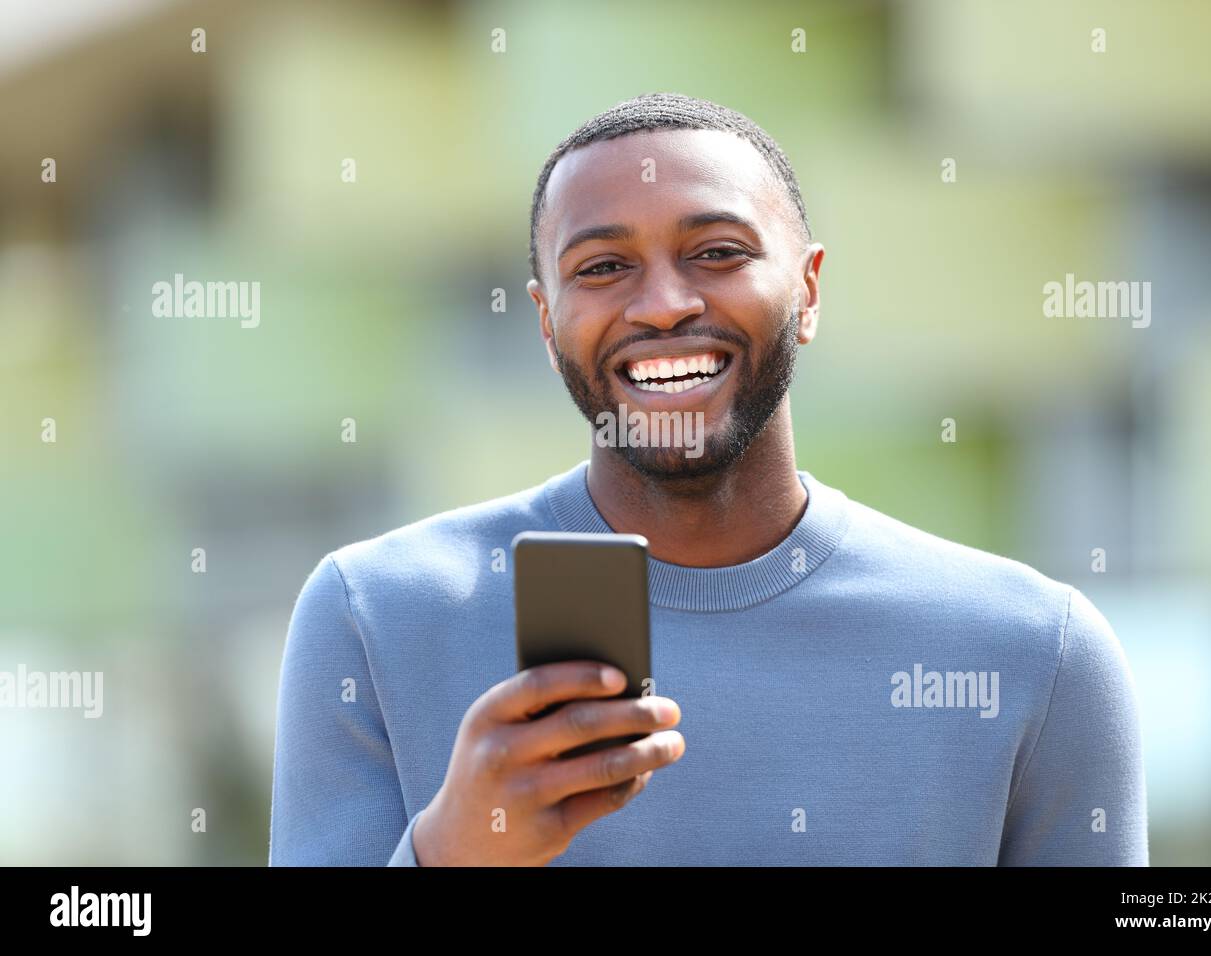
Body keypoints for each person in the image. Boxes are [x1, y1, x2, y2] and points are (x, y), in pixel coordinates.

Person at [268, 92, 1148, 866]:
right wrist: (453, 854)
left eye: (718, 251)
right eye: (602, 268)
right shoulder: (373, 616)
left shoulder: (1036, 652)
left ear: (808, 292)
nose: (662, 304)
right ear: (546, 321)